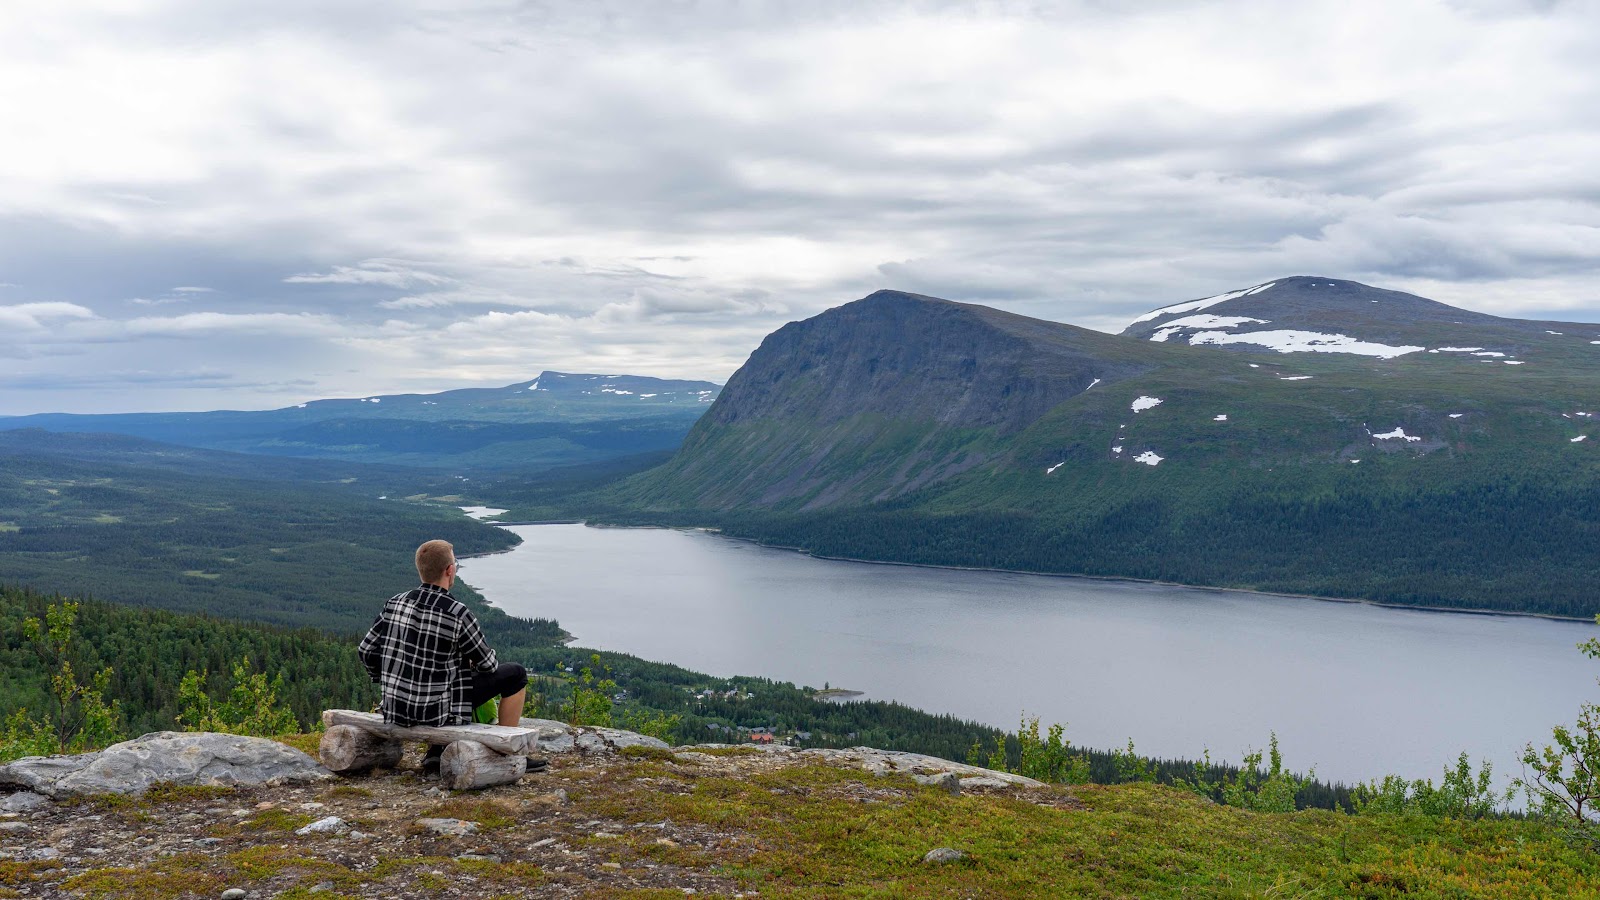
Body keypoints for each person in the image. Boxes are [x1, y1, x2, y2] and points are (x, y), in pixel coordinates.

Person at [359, 539, 529, 773]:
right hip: (439, 712)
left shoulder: (394, 603)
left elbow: (366, 650)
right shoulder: (457, 612)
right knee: (516, 674)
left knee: (453, 675)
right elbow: (488, 664)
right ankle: (504, 750)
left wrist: (387, 676)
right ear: (449, 570)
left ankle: (437, 751)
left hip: (395, 707)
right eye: (455, 564)